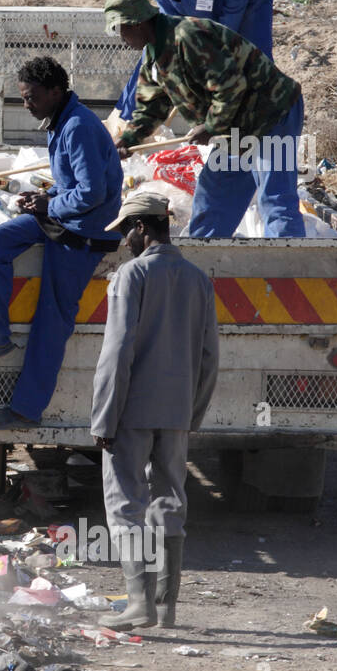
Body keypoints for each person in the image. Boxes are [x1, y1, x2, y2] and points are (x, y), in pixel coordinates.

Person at [0, 56, 123, 429]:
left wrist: (51, 204)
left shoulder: (78, 127)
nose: (26, 104)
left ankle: (25, 411)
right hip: (63, 217)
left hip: (86, 231)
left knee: (52, 321)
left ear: (55, 91)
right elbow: (75, 189)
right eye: (23, 97)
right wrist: (46, 201)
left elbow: (92, 194)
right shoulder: (62, 120)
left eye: (31, 97)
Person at [91, 193, 219, 629]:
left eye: (127, 230)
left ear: (143, 228)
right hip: (176, 413)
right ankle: (166, 609)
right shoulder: (199, 279)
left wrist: (104, 418)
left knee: (125, 504)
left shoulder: (131, 276)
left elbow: (117, 352)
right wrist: (192, 416)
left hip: (131, 412)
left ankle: (138, 604)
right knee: (169, 503)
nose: (124, 240)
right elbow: (208, 356)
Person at [105, 0, 306, 238]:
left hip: (272, 114)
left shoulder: (188, 37)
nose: (121, 38)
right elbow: (151, 106)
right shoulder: (153, 57)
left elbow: (231, 86)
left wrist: (210, 127)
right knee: (214, 194)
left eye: (119, 30)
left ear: (135, 23)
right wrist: (128, 139)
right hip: (234, 126)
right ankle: (204, 258)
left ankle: (289, 266)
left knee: (274, 196)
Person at [114, 0, 275, 122]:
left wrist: (219, 38)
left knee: (250, 54)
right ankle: (128, 118)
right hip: (207, 2)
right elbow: (173, 25)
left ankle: (268, 115)